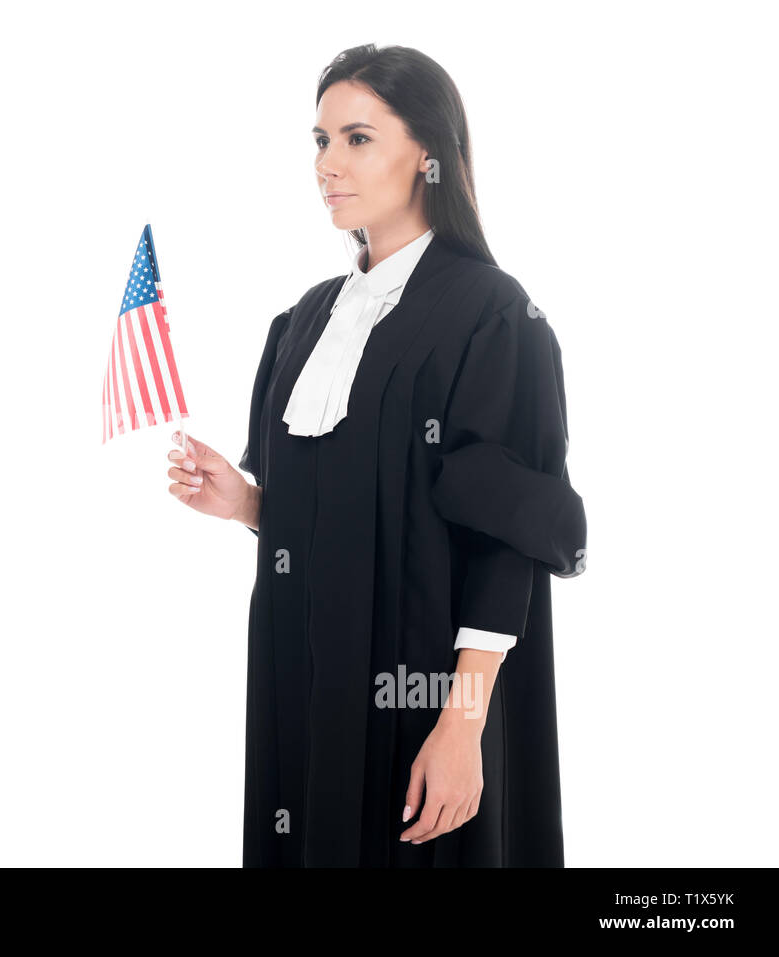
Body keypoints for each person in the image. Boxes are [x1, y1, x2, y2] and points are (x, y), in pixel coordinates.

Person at [166, 44, 587, 867]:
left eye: (357, 138)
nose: (328, 164)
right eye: (319, 142)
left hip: (424, 691)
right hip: (304, 674)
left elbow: (509, 542)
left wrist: (462, 724)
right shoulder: (308, 319)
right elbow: (348, 508)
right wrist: (246, 502)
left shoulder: (491, 313)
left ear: (427, 152)